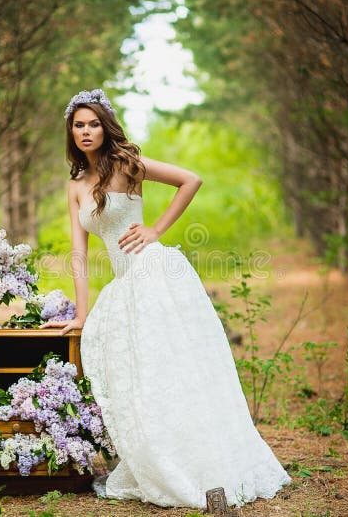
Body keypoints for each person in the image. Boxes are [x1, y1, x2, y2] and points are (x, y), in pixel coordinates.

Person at [41, 89, 291, 509]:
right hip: (124, 286)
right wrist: (81, 313)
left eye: (94, 124)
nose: (86, 131)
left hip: (154, 275)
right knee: (141, 374)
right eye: (79, 125)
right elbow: (80, 255)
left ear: (106, 127)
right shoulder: (76, 186)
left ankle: (204, 463)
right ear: (71, 131)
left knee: (174, 369)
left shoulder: (125, 165)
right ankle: (162, 459)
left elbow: (190, 180)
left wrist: (155, 230)